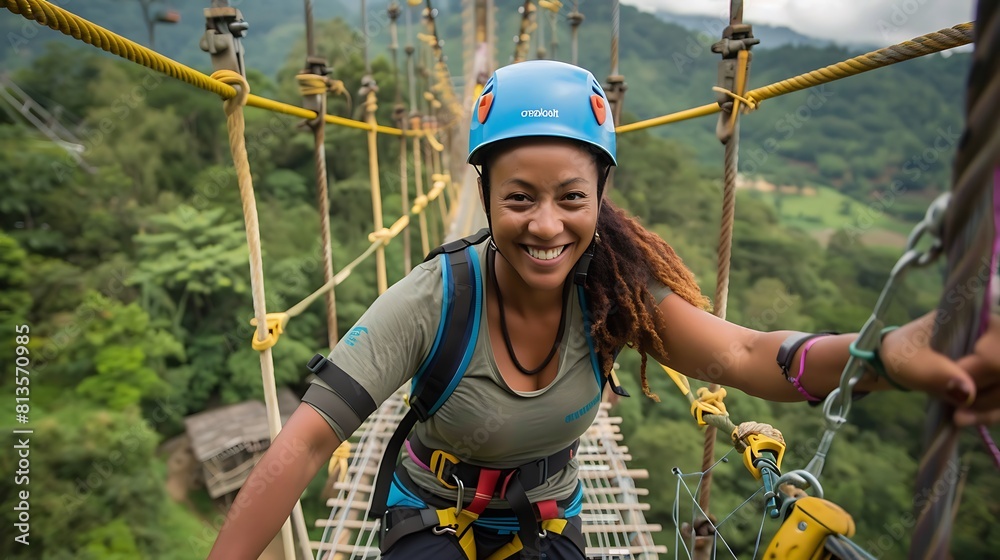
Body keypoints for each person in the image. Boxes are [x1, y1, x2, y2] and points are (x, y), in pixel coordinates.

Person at [206, 60, 1000, 560]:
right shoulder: (433, 299)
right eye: (518, 198)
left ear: (601, 199)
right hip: (433, 517)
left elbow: (751, 358)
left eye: (570, 199)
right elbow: (308, 441)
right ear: (483, 195)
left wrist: (886, 355)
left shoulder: (613, 290)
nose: (546, 225)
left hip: (549, 517)